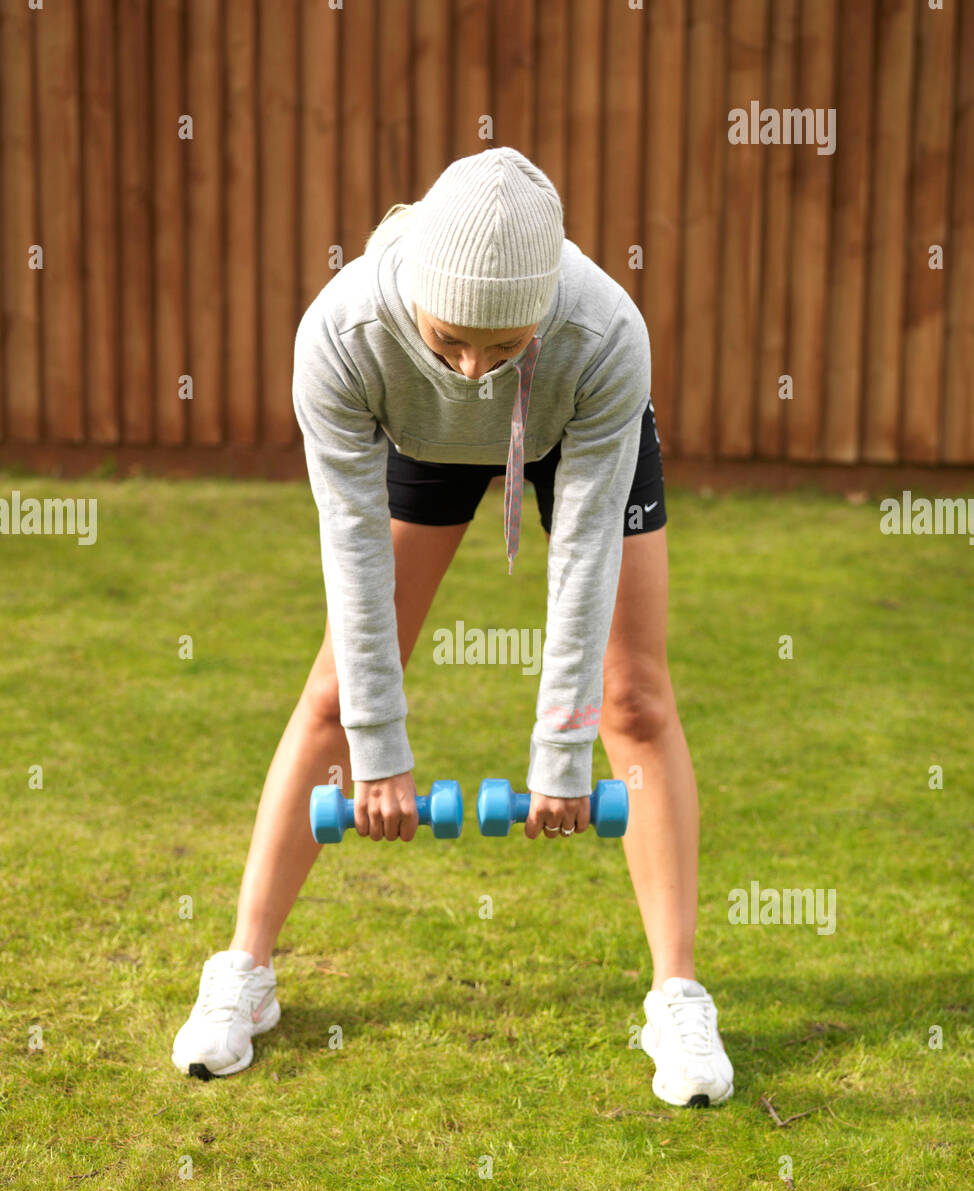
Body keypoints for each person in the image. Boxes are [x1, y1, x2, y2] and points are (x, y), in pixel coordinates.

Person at [172, 147, 734, 1107]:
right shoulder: (343, 334)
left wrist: (561, 758)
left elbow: (584, 553)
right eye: (452, 341)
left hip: (568, 426)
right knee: (338, 692)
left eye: (502, 345)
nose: (475, 370)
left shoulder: (604, 335)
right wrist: (379, 753)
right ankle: (244, 973)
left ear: (545, 307)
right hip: (416, 429)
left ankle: (677, 995)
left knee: (634, 700)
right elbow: (350, 548)